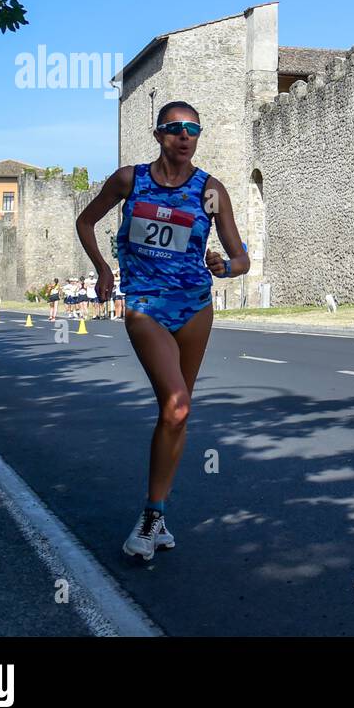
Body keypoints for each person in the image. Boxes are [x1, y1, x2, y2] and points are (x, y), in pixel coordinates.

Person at [76, 100, 249, 561]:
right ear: (158, 135)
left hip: (194, 305)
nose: (184, 136)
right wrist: (103, 271)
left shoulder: (211, 191)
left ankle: (157, 512)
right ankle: (152, 518)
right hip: (145, 305)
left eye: (193, 129)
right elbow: (86, 220)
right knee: (175, 405)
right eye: (175, 128)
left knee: (178, 413)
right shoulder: (129, 180)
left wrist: (224, 266)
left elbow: (240, 257)